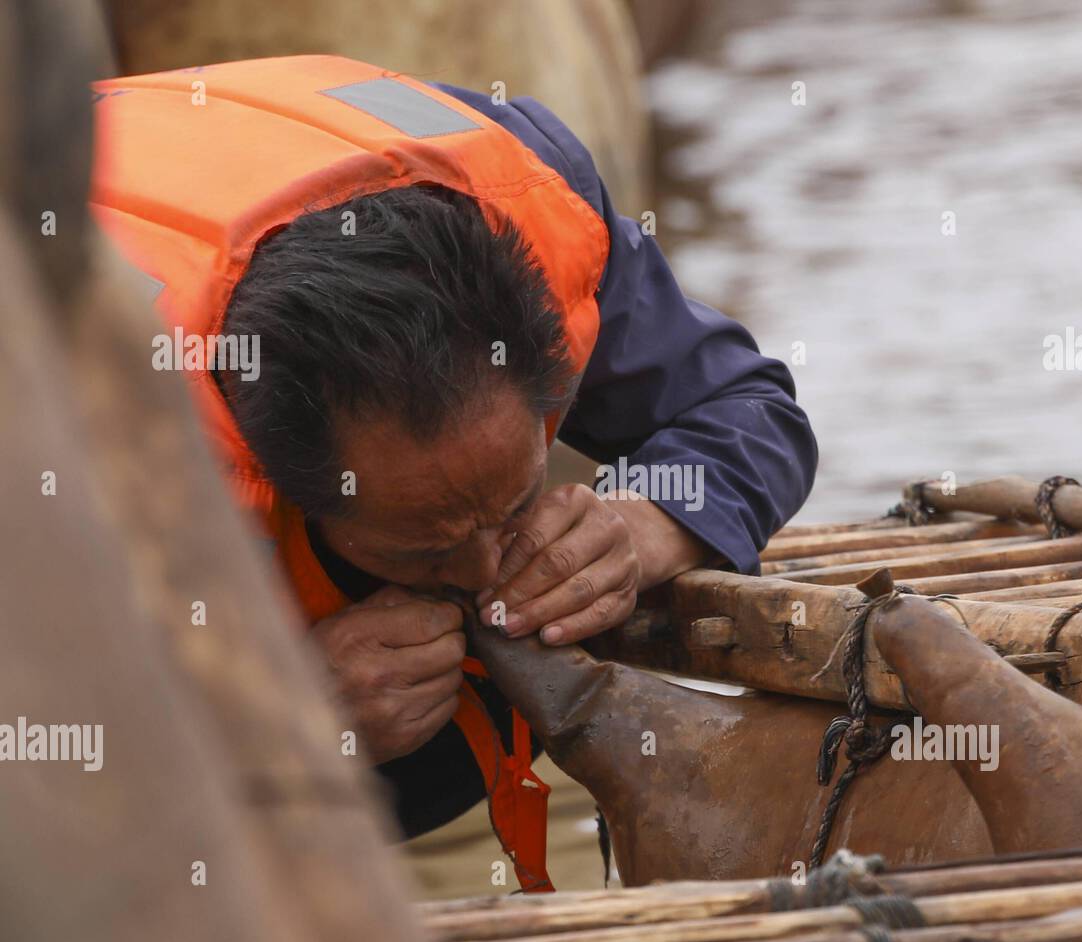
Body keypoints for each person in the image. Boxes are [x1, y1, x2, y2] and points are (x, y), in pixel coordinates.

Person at [91, 55, 817, 889]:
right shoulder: (79, 401)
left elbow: (744, 404)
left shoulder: (530, 202)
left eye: (513, 506)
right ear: (275, 471)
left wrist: (650, 520)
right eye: (424, 547)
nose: (486, 572)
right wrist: (270, 719)